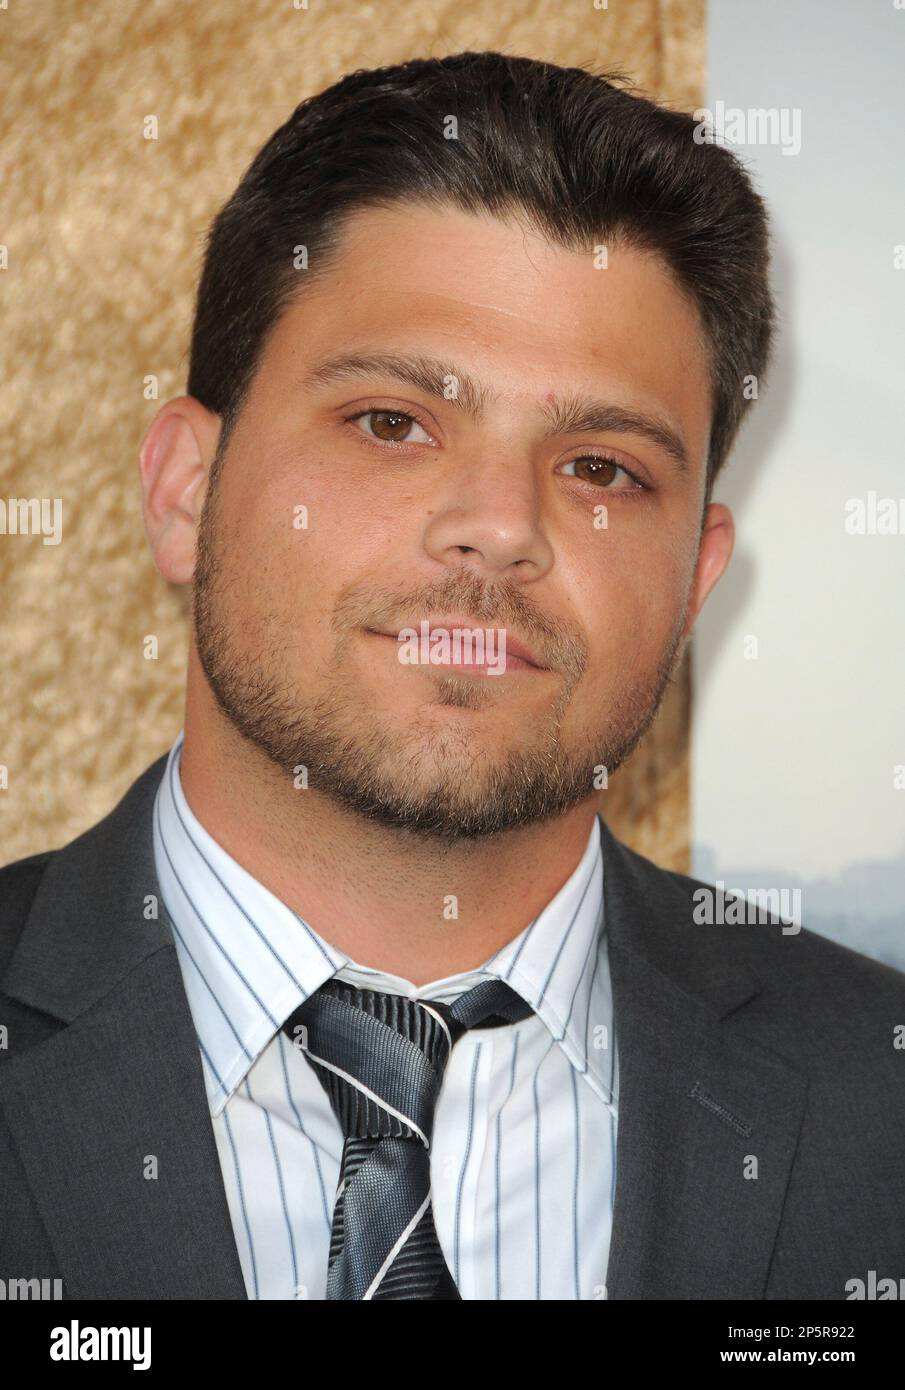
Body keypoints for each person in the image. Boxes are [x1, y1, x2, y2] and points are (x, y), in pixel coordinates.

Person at [1, 51, 903, 1301]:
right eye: (392, 423)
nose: (498, 526)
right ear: (183, 492)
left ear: (694, 581)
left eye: (600, 468)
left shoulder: (881, 1106)